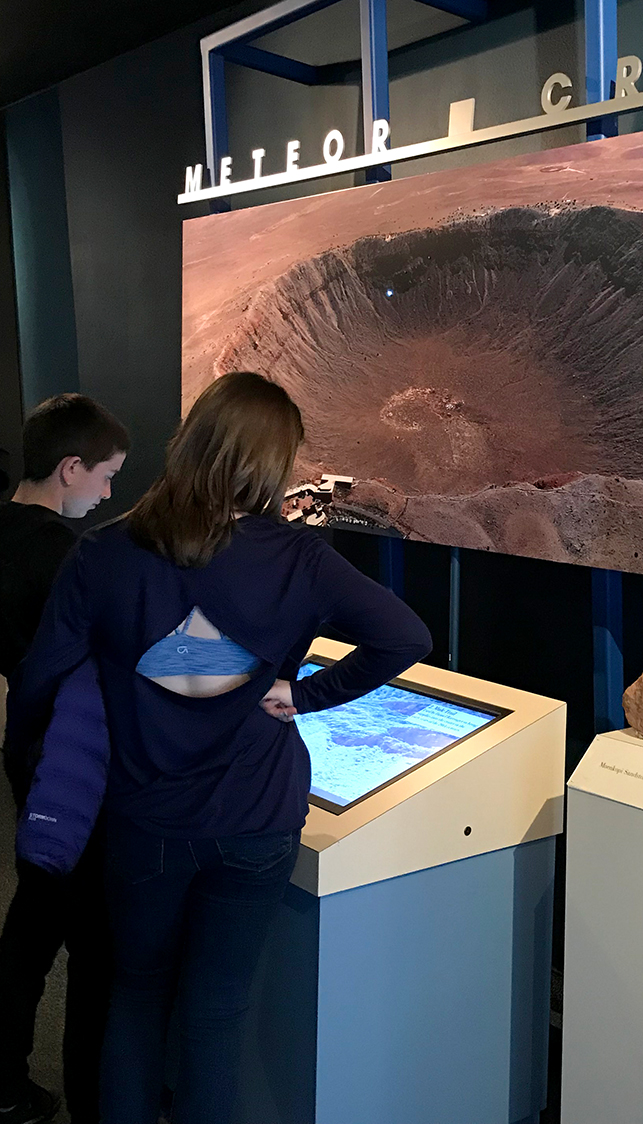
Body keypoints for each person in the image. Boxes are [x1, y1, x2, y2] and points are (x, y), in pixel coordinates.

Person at [9, 371, 432, 1124]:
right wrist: (302, 694)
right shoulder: (300, 559)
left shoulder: (105, 553)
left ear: (192, 440)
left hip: (144, 821)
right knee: (216, 1014)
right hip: (258, 821)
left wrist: (42, 778)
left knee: (134, 998)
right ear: (271, 464)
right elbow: (405, 637)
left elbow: (40, 680)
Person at [0, 393, 129, 1124]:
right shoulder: (65, 557)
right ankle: (93, 1098)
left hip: (25, 751)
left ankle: (4, 1076)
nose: (108, 494)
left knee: (33, 917)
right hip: (73, 763)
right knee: (91, 943)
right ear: (71, 467)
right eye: (106, 477)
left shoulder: (4, 530)